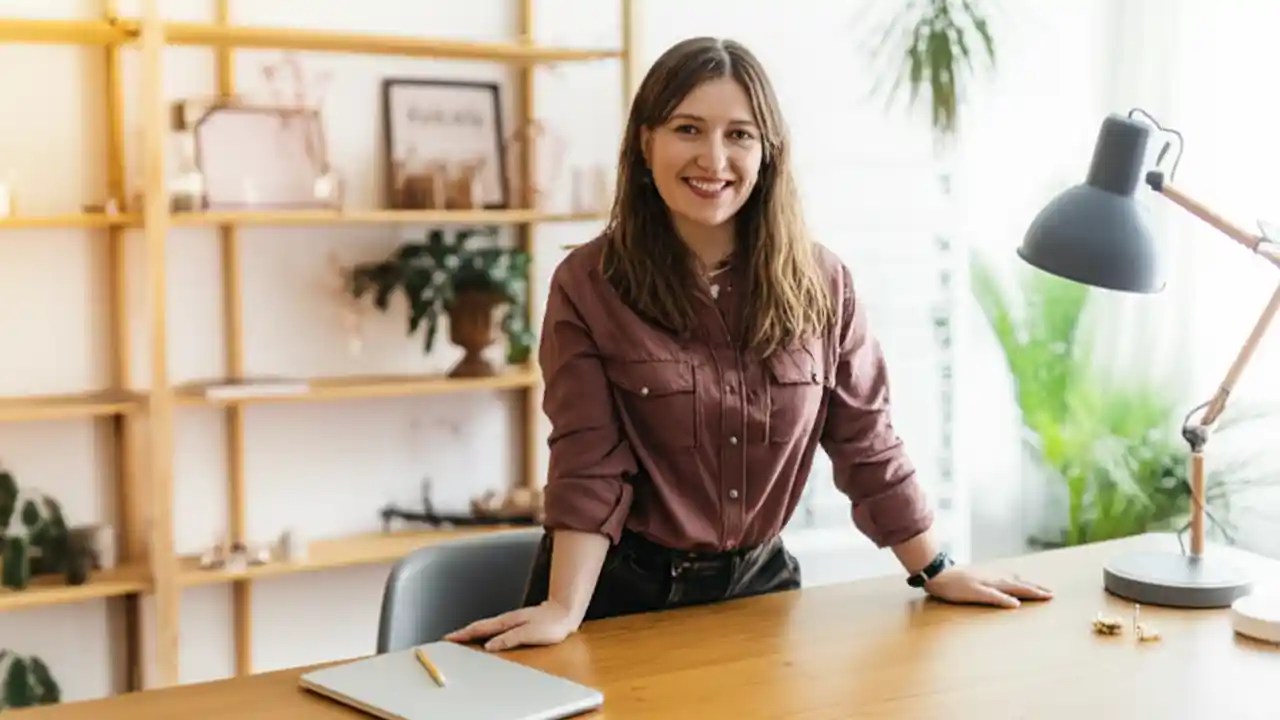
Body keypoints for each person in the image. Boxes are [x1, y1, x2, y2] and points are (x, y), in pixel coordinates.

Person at [446, 36, 1052, 653]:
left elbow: (866, 441)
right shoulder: (589, 284)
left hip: (761, 593)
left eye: (740, 134)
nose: (714, 158)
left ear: (768, 153)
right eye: (688, 128)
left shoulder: (824, 283)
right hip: (618, 597)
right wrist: (563, 607)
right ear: (644, 142)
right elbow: (589, 461)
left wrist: (936, 568)